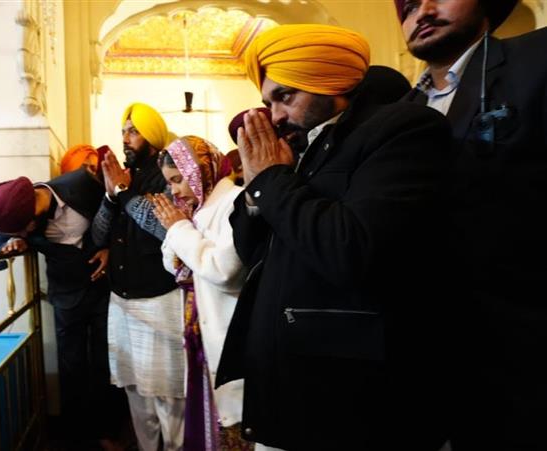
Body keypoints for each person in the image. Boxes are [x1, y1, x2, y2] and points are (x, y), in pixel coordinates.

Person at [215, 24, 453, 451]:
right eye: (269, 102)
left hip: (349, 401)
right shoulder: (301, 148)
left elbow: (351, 249)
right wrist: (255, 189)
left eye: (286, 96)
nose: (275, 116)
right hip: (287, 386)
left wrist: (272, 180)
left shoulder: (401, 129)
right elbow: (253, 252)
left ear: (328, 81)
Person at [396, 1, 547, 449]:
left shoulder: (535, 60)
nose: (422, 11)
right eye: (407, 6)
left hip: (527, 347)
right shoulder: (400, 111)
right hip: (441, 356)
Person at [0, 167, 125, 451]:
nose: (25, 233)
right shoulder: (13, 215)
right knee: (71, 369)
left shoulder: (81, 183)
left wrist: (109, 249)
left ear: (34, 207)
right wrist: (13, 243)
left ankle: (108, 431)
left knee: (106, 364)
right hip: (66, 298)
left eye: (24, 229)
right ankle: (75, 437)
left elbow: (118, 216)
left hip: (105, 291)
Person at [91, 103, 184, 451]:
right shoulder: (122, 177)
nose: (126, 138)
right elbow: (97, 236)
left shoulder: (168, 173)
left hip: (160, 297)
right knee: (134, 387)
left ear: (152, 133)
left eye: (133, 131)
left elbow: (164, 228)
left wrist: (124, 192)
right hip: (122, 299)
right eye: (123, 131)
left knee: (168, 391)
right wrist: (109, 195)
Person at [150, 136, 250, 451]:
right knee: (207, 419)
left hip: (227, 330)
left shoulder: (234, 201)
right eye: (169, 182)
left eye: (178, 179)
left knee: (233, 425)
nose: (174, 190)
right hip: (200, 335)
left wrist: (180, 229)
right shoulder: (198, 206)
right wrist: (178, 227)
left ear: (200, 171)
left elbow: (225, 271)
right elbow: (173, 265)